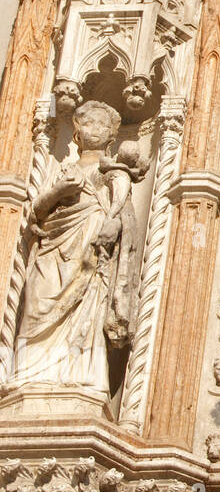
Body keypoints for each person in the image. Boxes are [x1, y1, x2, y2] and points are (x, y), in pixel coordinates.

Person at [6, 101, 138, 395]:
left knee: (87, 306)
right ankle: (27, 375)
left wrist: (113, 225)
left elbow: (123, 213)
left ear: (112, 136)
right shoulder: (63, 170)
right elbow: (36, 212)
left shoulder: (112, 171)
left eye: (103, 125)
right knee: (38, 301)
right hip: (53, 248)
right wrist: (59, 191)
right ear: (76, 133)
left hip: (90, 249)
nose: (96, 129)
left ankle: (80, 377)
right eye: (89, 123)